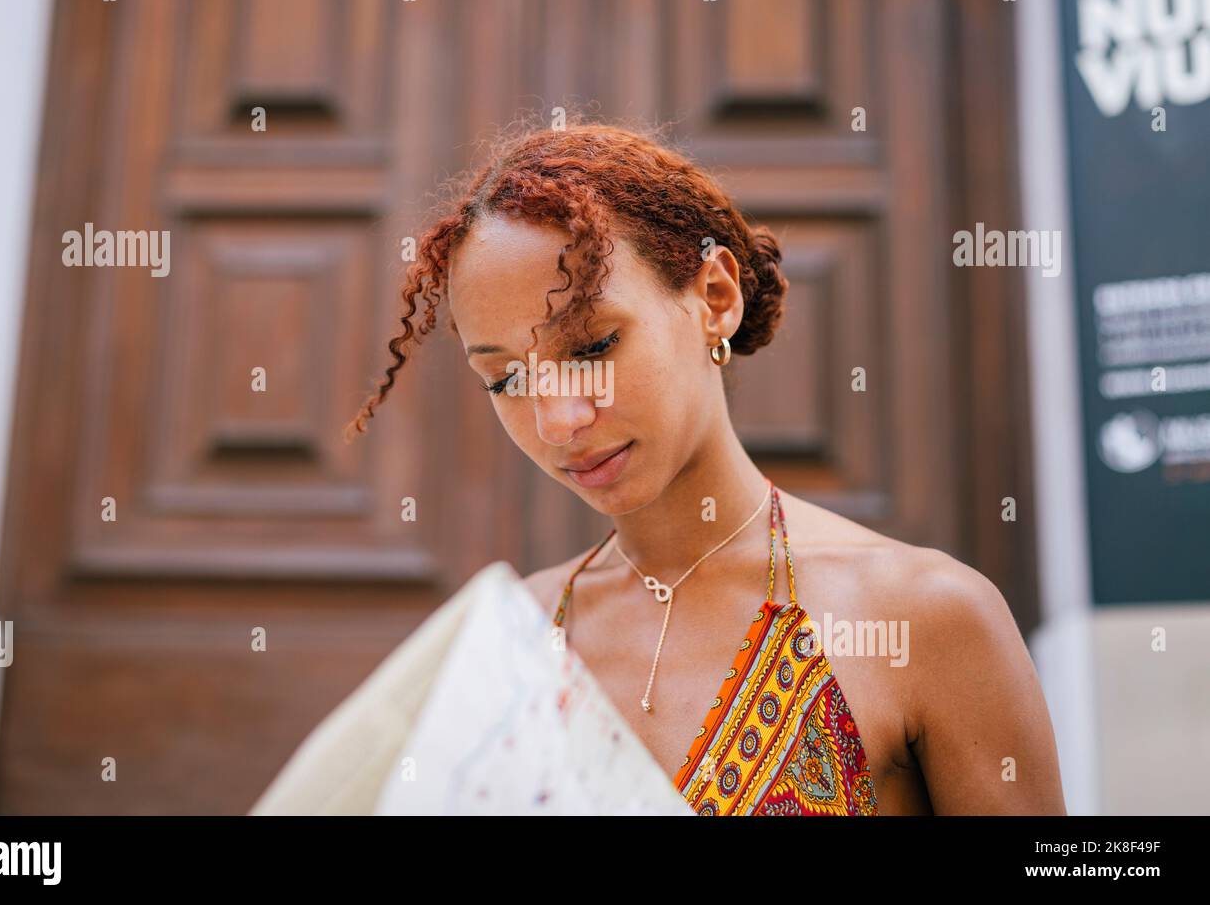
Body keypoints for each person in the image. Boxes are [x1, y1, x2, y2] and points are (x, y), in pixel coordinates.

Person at [340, 116, 1067, 816]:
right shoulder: (514, 644)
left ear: (714, 297)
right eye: (507, 380)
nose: (560, 420)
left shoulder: (926, 616)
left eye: (592, 348)